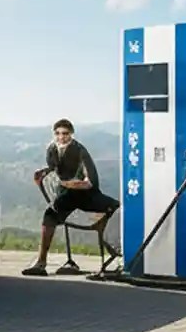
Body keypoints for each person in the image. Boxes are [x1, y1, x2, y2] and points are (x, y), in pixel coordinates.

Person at [22, 118, 120, 276]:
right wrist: (44, 172)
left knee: (116, 207)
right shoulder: (52, 149)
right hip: (67, 194)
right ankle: (41, 262)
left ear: (71, 134)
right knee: (50, 215)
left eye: (65, 134)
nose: (61, 137)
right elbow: (54, 167)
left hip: (86, 195)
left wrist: (71, 184)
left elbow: (90, 182)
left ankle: (118, 254)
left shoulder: (80, 151)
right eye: (58, 133)